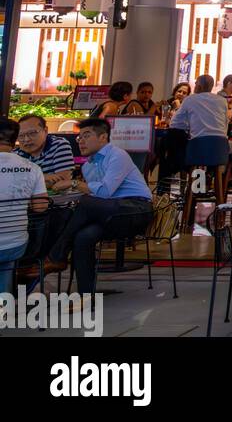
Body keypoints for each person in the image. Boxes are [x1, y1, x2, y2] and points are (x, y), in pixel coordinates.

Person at [39, 118, 153, 294]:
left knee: (85, 202)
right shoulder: (88, 166)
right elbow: (96, 196)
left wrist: (73, 184)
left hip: (136, 210)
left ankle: (56, 256)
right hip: (110, 214)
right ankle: (85, 296)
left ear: (103, 137)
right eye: (79, 137)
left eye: (86, 135)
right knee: (83, 237)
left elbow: (105, 191)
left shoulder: (117, 155)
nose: (81, 141)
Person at [0, 118, 48, 296]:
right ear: (15, 141)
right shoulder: (32, 168)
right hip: (16, 243)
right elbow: (41, 207)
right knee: (6, 261)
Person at [16, 115, 75, 186]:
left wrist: (25, 179)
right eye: (21, 136)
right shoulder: (16, 154)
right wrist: (43, 177)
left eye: (32, 133)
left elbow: (63, 182)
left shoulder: (58, 145)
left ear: (45, 131)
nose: (26, 139)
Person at [170, 74, 230, 141]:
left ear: (199, 86)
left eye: (195, 83)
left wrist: (190, 125)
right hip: (221, 144)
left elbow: (174, 123)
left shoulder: (191, 99)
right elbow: (225, 123)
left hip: (200, 143)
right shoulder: (222, 101)